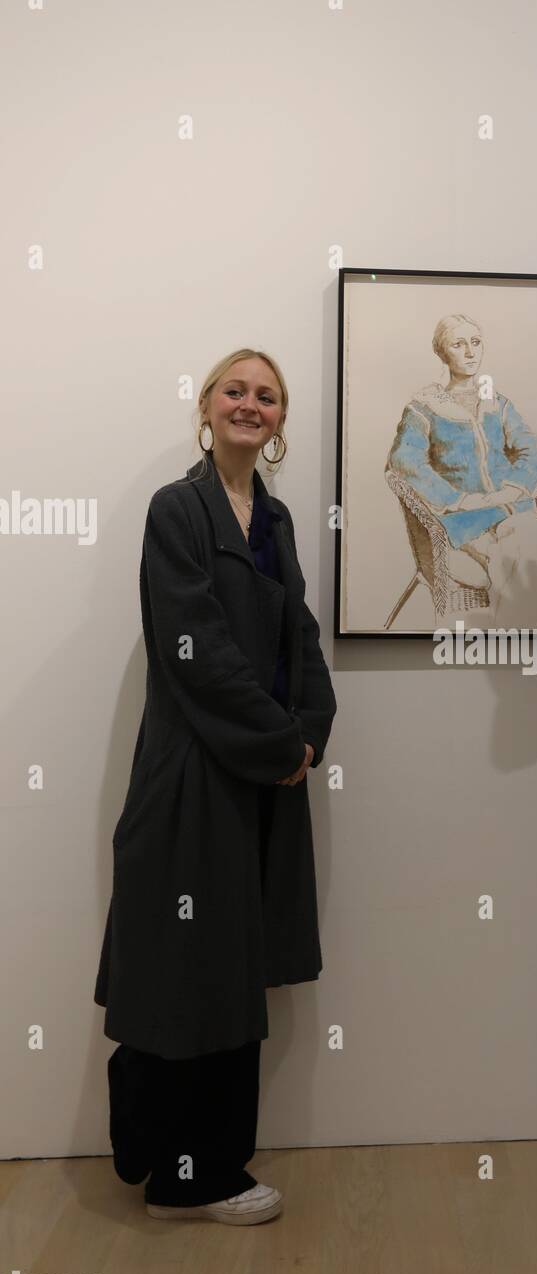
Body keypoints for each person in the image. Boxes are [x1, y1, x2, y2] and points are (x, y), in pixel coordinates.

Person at [94, 349, 337, 1225]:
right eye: (236, 389)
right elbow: (194, 649)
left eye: (267, 396)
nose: (251, 403)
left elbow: (298, 634)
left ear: (278, 422)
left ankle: (206, 1167)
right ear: (206, 406)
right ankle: (184, 1175)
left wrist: (310, 727)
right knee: (185, 969)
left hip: (265, 773)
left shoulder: (274, 520)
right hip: (197, 772)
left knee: (234, 969)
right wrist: (280, 742)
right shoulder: (177, 510)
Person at [386, 313, 537, 623]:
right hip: (465, 522)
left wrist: (514, 489)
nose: (470, 352)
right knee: (527, 553)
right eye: (459, 344)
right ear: (442, 352)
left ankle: (527, 635)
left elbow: (530, 450)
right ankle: (529, 641)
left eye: (476, 342)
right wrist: (460, 500)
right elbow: (404, 462)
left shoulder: (497, 403)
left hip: (513, 509)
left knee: (533, 540)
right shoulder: (425, 407)